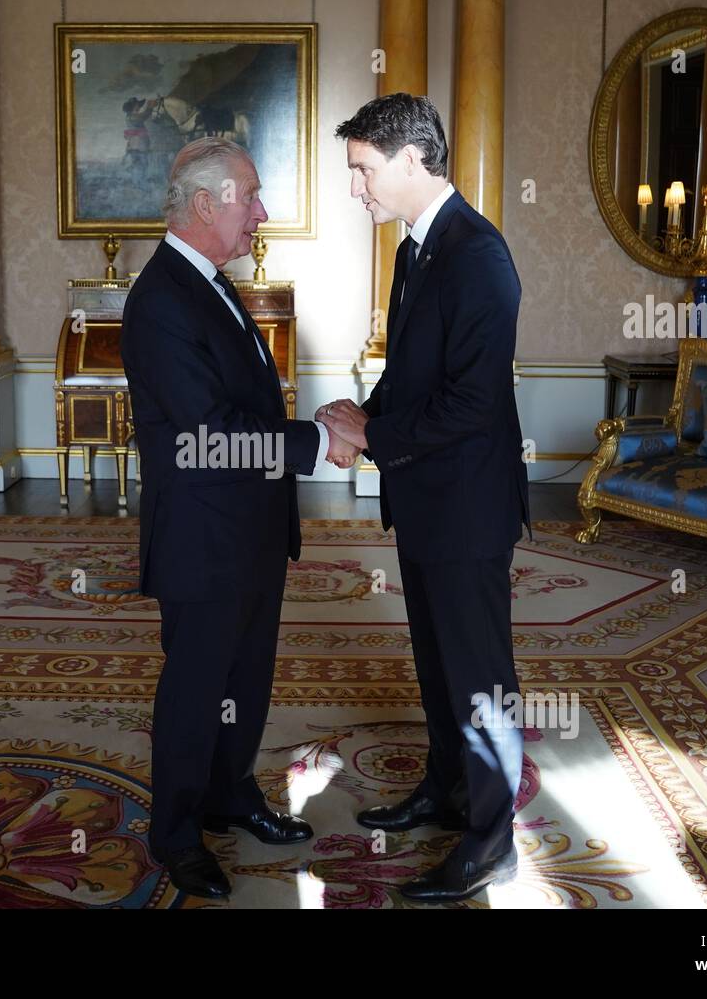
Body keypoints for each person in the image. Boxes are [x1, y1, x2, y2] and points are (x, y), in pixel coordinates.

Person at [120, 136, 359, 898]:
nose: (261, 214)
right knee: (196, 688)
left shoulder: (209, 283)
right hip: (203, 538)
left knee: (246, 678)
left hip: (247, 531)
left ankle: (230, 794)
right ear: (205, 204)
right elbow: (207, 437)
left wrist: (309, 430)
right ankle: (178, 834)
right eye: (250, 198)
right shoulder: (161, 299)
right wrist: (319, 442)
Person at [318, 93, 531, 903]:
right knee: (440, 665)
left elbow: (474, 403)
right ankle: (447, 792)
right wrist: (368, 413)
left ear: (413, 160)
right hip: (427, 497)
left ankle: (491, 842)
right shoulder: (418, 250)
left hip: (468, 507)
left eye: (363, 170)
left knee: (480, 678)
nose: (355, 188)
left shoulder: (478, 255)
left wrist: (374, 435)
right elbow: (415, 376)